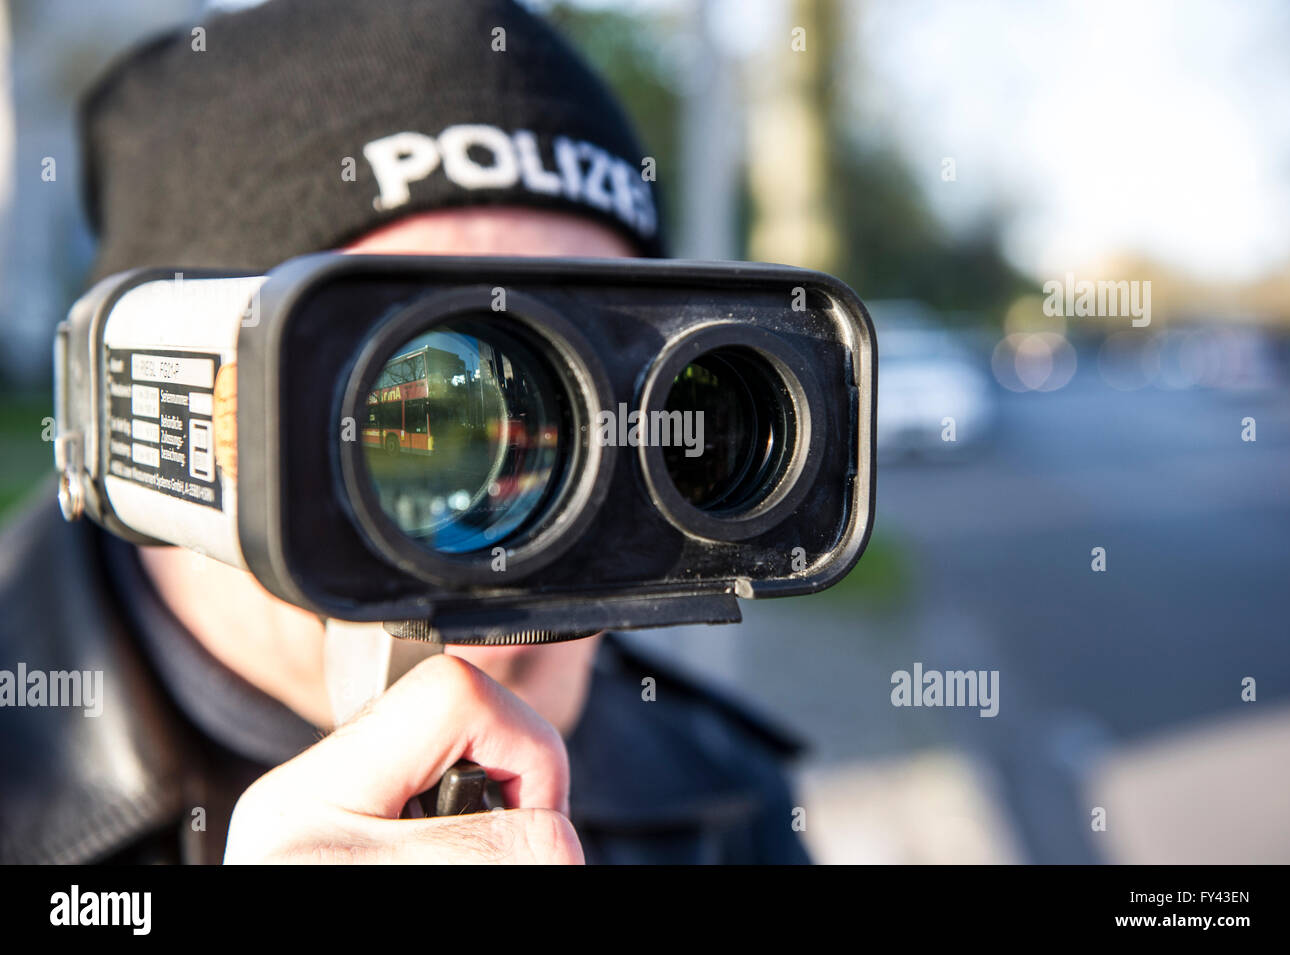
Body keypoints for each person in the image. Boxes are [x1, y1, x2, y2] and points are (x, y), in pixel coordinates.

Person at [0, 0, 809, 864]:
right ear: (144, 416)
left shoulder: (716, 799)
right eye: (397, 377)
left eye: (591, 376)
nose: (524, 487)